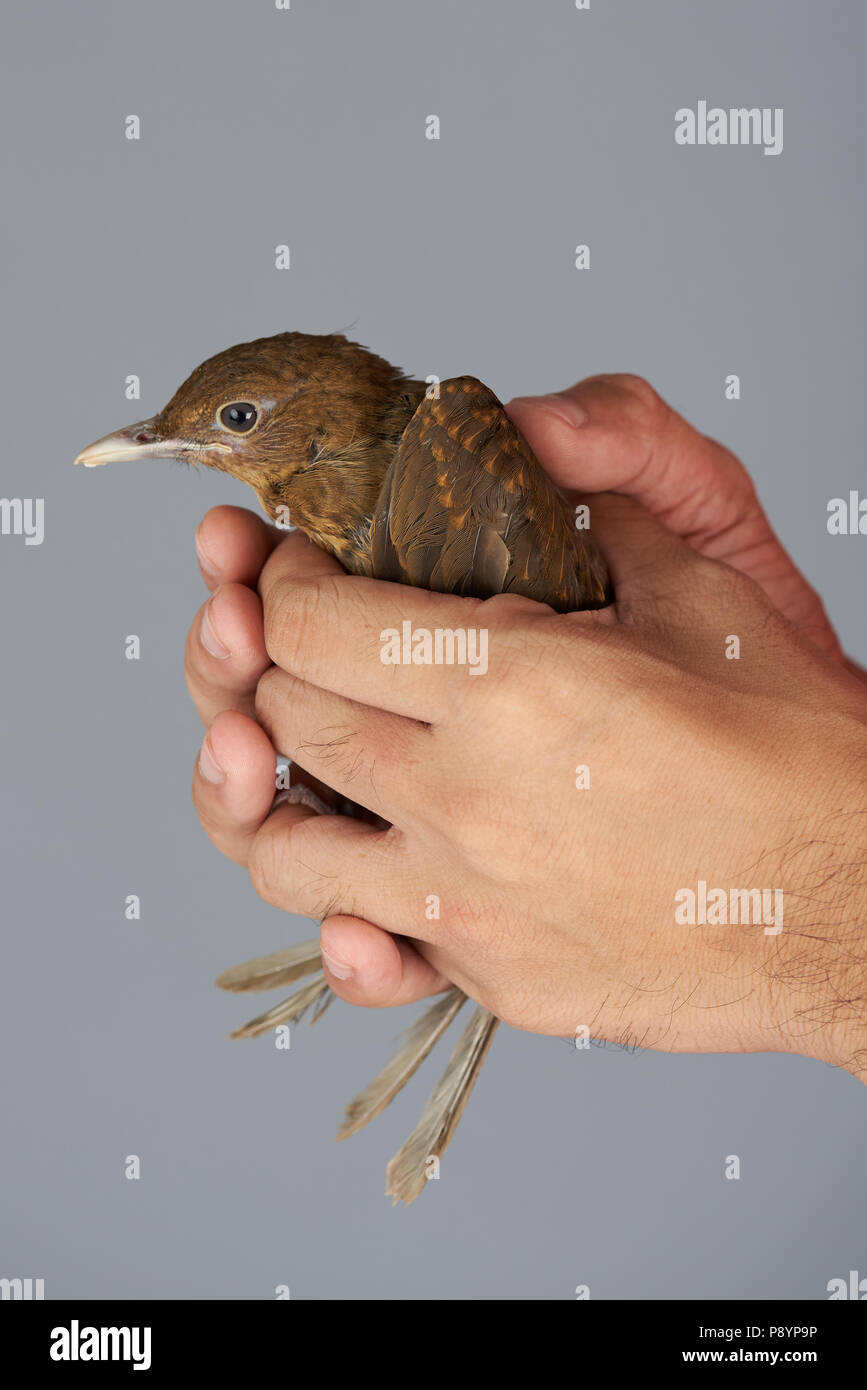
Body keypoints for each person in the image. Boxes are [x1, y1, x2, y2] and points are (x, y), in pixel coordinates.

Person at [185, 374, 867, 1080]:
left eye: (237, 418)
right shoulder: (348, 494)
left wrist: (823, 888)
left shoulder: (451, 431)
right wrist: (824, 697)